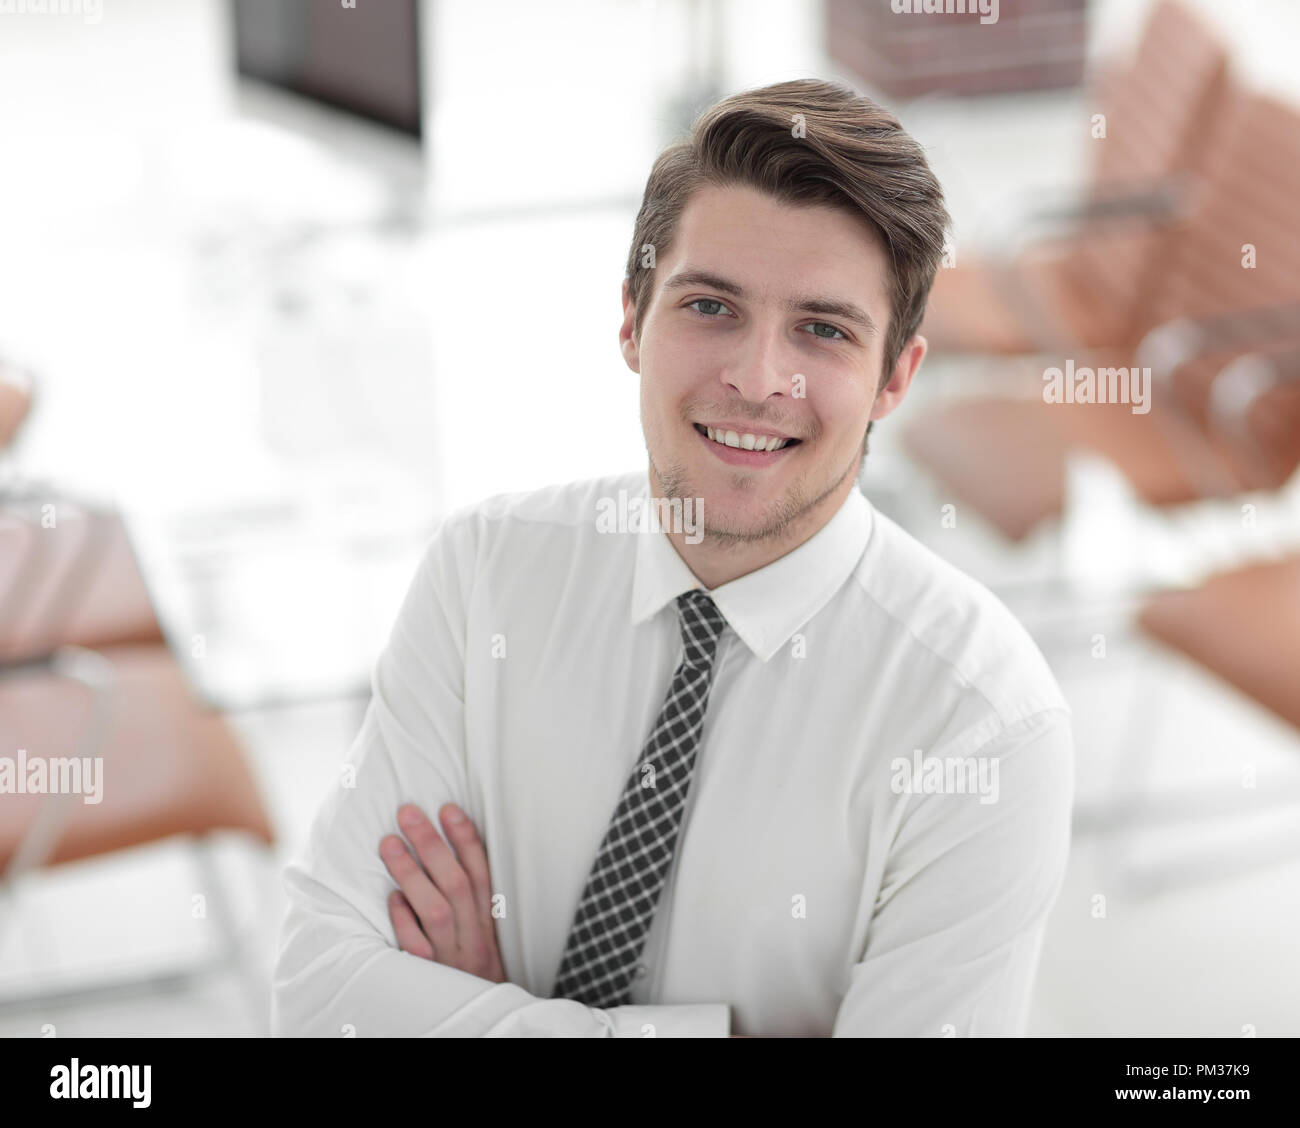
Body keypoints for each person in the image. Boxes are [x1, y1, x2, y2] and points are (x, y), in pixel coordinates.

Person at [271, 77, 1073, 1038]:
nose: (755, 378)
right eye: (711, 307)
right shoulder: (485, 573)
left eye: (823, 329)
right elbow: (320, 996)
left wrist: (489, 1015)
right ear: (629, 323)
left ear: (894, 376)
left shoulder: (981, 725)